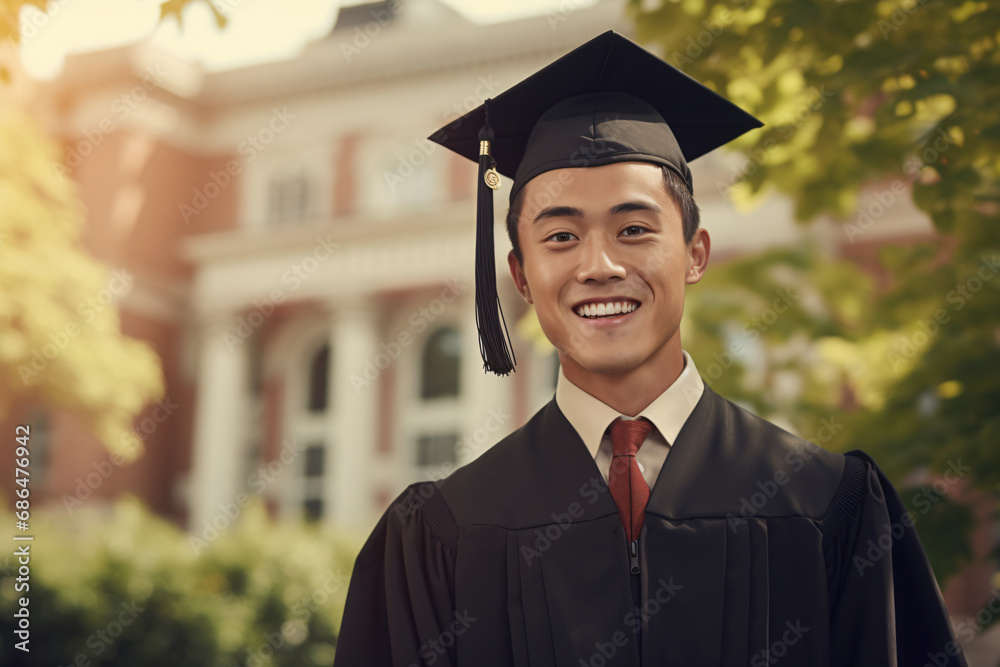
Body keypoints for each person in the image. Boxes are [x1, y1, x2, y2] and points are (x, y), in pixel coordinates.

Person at [332, 30, 968, 666]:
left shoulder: (829, 505)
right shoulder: (443, 534)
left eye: (634, 229)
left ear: (695, 254)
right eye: (560, 237)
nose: (600, 265)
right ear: (521, 277)